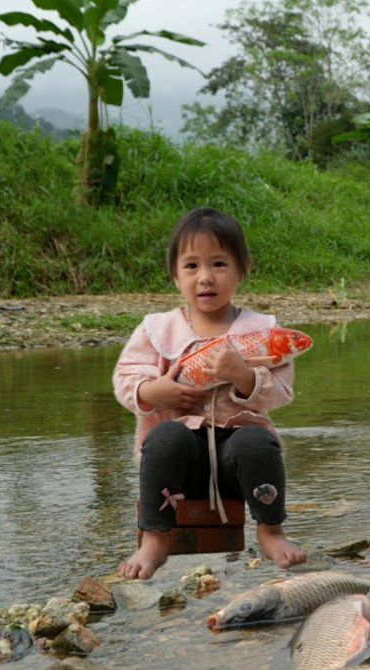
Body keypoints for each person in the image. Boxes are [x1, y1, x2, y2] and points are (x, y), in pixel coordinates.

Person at [113, 208, 307, 579]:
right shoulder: (158, 329)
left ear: (242, 268)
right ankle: (154, 539)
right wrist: (155, 391)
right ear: (174, 275)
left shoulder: (262, 331)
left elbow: (280, 391)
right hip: (180, 469)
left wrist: (244, 377)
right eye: (191, 267)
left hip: (239, 464)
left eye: (219, 264)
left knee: (257, 442)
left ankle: (270, 531)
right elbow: (127, 377)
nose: (205, 278)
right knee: (164, 437)